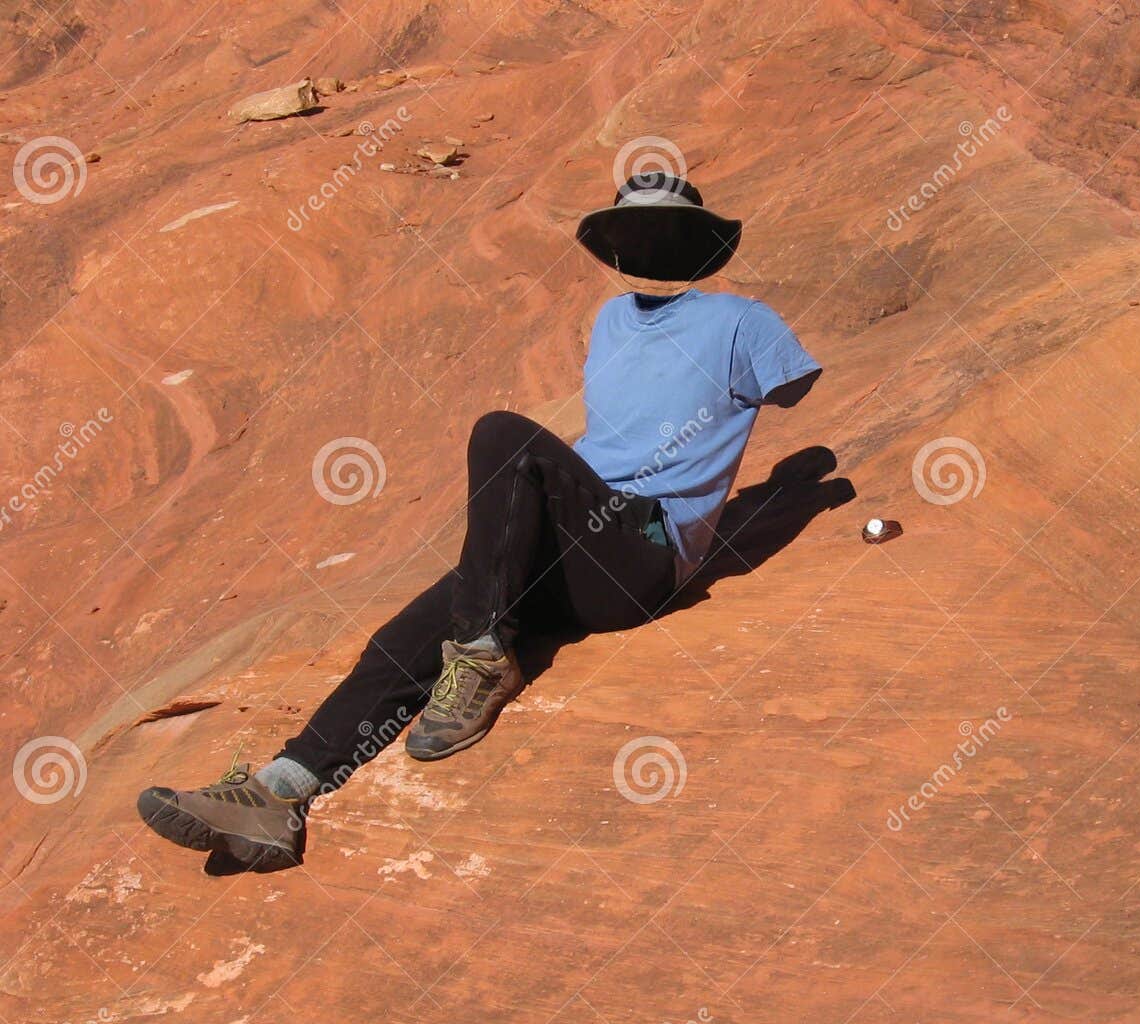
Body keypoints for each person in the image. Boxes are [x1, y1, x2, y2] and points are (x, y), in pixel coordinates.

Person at [136, 170, 822, 871]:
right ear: (616, 244)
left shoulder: (742, 320)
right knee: (405, 635)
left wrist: (793, 470)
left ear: (695, 243)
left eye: (663, 227)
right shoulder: (613, 319)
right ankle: (280, 793)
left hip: (642, 552)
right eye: (632, 227)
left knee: (502, 434)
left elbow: (795, 383)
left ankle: (485, 661)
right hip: (570, 541)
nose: (647, 241)